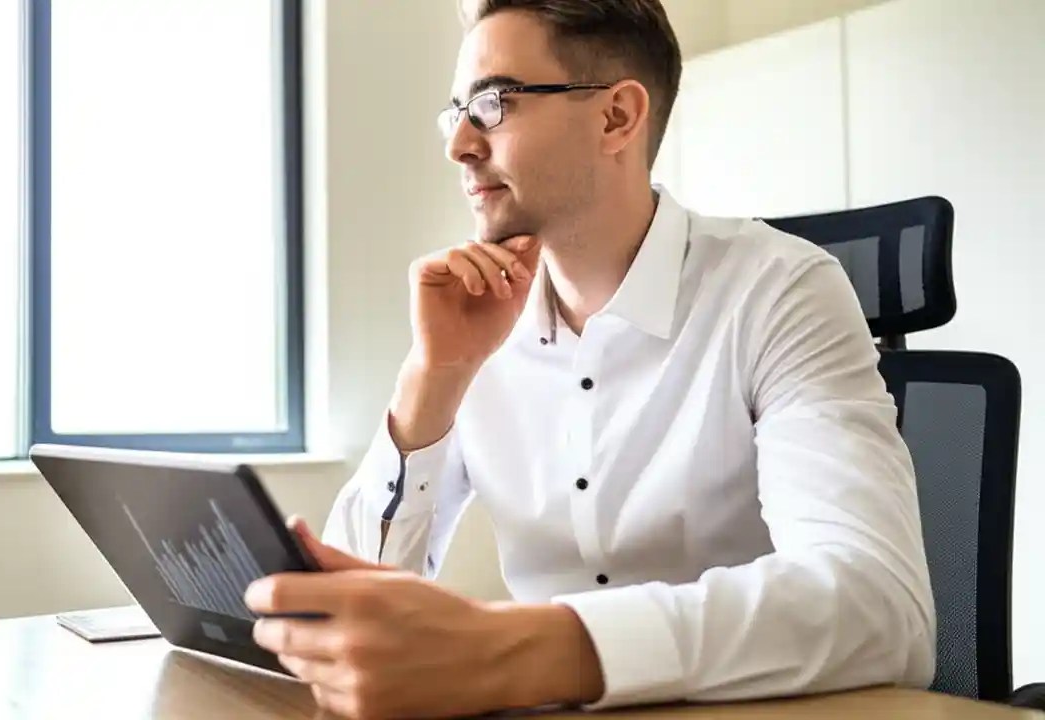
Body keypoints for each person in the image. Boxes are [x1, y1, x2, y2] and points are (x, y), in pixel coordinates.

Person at [243, 1, 937, 718]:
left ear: (617, 118)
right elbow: (350, 640)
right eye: (457, 111)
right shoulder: (478, 321)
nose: (459, 144)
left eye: (493, 103)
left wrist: (517, 649)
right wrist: (433, 381)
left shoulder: (779, 290)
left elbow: (879, 608)